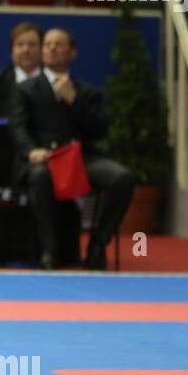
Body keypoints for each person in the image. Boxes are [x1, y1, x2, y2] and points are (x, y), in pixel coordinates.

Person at [9, 28, 135, 270]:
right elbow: (17, 127)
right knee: (41, 176)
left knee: (122, 178)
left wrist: (73, 101)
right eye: (48, 44)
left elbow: (100, 130)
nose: (52, 48)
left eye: (59, 44)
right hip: (44, 159)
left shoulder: (86, 91)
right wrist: (30, 151)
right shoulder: (25, 89)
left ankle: (97, 244)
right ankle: (49, 250)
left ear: (73, 52)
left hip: (80, 159)